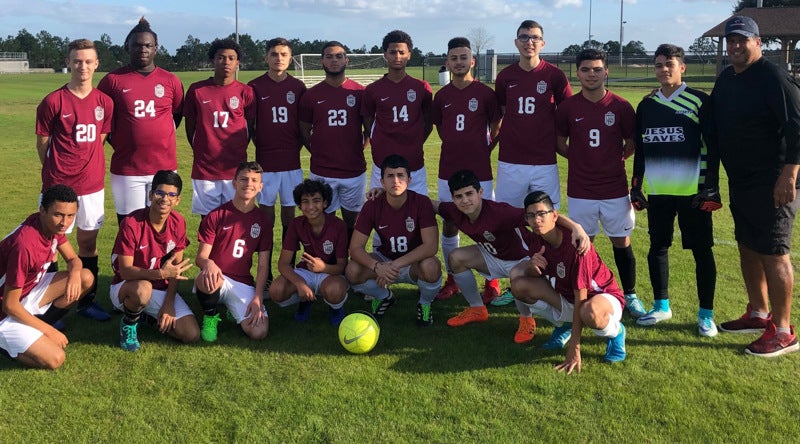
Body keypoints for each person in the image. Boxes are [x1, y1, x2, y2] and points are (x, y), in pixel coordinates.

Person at [710, 16, 800, 357]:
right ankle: (758, 313)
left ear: (758, 42)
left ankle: (784, 331)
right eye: (730, 40)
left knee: (774, 251)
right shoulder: (727, 80)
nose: (734, 46)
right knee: (747, 245)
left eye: (741, 40)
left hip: (774, 180)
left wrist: (788, 176)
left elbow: (797, 129)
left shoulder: (773, 78)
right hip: (742, 181)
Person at [435, 171, 590, 347]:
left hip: (522, 258)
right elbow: (431, 205)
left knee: (516, 274)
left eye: (469, 194)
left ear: (480, 193)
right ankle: (477, 309)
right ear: (453, 199)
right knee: (455, 257)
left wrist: (576, 227)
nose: (465, 200)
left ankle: (526, 320)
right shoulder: (453, 211)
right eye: (459, 196)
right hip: (492, 255)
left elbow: (540, 214)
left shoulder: (500, 212)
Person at [631, 44, 721, 336]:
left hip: (693, 192)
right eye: (658, 65)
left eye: (669, 64)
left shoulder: (699, 101)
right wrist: (636, 186)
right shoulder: (646, 105)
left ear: (682, 67)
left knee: (701, 251)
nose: (663, 69)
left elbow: (713, 147)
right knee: (657, 248)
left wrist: (710, 187)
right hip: (659, 193)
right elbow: (642, 150)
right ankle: (661, 306)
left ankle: (706, 314)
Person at [555, 48, 646, 318]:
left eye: (597, 69)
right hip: (581, 189)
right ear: (578, 73)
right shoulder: (568, 107)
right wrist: (582, 158)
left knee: (621, 241)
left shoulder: (620, 106)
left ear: (606, 71)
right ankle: (583, 292)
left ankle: (629, 294)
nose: (591, 74)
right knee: (583, 244)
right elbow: (560, 143)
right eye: (585, 69)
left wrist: (613, 159)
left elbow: (631, 144)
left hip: (615, 189)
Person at [35, 38, 113, 322]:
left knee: (88, 243)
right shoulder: (53, 101)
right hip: (58, 186)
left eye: (88, 61)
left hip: (92, 186)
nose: (83, 66)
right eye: (77, 61)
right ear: (68, 62)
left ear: (96, 64)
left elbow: (100, 139)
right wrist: (55, 171)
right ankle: (51, 307)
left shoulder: (105, 102)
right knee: (52, 245)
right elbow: (43, 143)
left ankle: (86, 301)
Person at [511, 191, 627, 373]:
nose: (537, 220)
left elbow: (581, 297)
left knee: (588, 312)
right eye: (531, 216)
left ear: (555, 215)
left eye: (542, 214)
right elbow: (538, 276)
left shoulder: (577, 244)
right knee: (519, 285)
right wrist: (533, 267)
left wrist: (575, 348)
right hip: (570, 298)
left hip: (602, 298)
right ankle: (564, 325)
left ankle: (616, 331)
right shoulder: (536, 239)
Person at [431, 37, 503, 304]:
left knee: (486, 224)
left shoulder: (485, 93)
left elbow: (496, 128)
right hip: (448, 169)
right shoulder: (442, 96)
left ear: (472, 61)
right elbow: (440, 128)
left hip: (479, 170)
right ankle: (453, 280)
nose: (459, 62)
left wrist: (484, 150)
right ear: (448, 62)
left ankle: (492, 282)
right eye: (454, 58)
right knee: (450, 224)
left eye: (464, 57)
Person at [97, 17, 184, 223]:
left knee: (161, 223)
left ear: (156, 48)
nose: (142, 49)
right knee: (130, 225)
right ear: (127, 47)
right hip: (128, 169)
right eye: (137, 45)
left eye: (147, 45)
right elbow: (102, 122)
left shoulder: (170, 80)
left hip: (164, 166)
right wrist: (122, 140)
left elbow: (177, 114)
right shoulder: (112, 81)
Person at [0, 185, 94, 369]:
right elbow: (9, 305)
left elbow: (74, 259)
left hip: (25, 293)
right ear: (42, 210)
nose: (64, 223)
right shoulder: (25, 245)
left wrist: (74, 273)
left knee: (85, 277)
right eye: (58, 214)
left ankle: (33, 329)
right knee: (55, 358)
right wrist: (49, 331)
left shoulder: (50, 227)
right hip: (4, 310)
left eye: (70, 216)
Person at [346, 154, 442, 325]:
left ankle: (425, 303)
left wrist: (396, 265)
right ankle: (384, 297)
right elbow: (355, 248)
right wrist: (376, 266)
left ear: (409, 179)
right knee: (352, 270)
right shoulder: (372, 205)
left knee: (431, 266)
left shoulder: (421, 202)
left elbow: (431, 246)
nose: (395, 181)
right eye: (390, 176)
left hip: (413, 263)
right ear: (382, 182)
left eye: (400, 175)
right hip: (384, 260)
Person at [110, 170, 199, 352]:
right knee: (143, 289)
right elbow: (125, 271)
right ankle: (128, 324)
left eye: (171, 194)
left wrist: (168, 304)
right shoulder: (131, 223)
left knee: (191, 334)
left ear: (177, 200)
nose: (165, 199)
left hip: (160, 287)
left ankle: (144, 317)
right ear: (151, 195)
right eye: (160, 193)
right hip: (127, 286)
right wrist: (160, 273)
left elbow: (175, 270)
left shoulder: (179, 222)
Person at [494, 20, 572, 210]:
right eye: (524, 37)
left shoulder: (555, 75)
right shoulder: (505, 76)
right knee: (508, 217)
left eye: (535, 38)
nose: (529, 42)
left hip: (544, 160)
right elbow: (502, 112)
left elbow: (568, 111)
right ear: (516, 42)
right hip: (511, 160)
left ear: (542, 43)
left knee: (547, 217)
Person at [249, 37, 307, 284]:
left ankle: (288, 271)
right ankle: (266, 272)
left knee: (289, 219)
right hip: (266, 165)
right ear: (266, 58)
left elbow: (304, 126)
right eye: (274, 54)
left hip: (292, 164)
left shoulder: (298, 87)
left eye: (284, 54)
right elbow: (249, 126)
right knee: (266, 220)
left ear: (290, 58)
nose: (279, 58)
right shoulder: (254, 87)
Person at [194, 162, 271, 342]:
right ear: (234, 183)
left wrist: (258, 297)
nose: (248, 184)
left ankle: (232, 308)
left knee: (259, 332)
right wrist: (209, 263)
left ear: (260, 187)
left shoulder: (263, 222)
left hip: (242, 282)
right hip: (216, 277)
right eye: (243, 179)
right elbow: (201, 257)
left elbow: (263, 265)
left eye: (254, 180)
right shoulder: (216, 215)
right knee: (208, 279)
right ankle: (210, 316)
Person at [298, 41, 367, 242]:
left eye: (338, 56)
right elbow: (304, 131)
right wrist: (319, 151)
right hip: (322, 171)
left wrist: (357, 150)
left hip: (353, 171)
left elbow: (369, 129)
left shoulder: (360, 92)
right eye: (329, 56)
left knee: (352, 224)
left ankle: (350, 267)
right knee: (323, 223)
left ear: (346, 60)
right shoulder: (311, 95)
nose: (334, 60)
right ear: (321, 61)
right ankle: (327, 264)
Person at [184, 38, 255, 217]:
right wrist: (203, 149)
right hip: (205, 169)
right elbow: (190, 127)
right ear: (213, 60)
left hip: (235, 168)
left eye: (232, 58)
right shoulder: (197, 90)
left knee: (235, 219)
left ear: (237, 63)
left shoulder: (245, 92)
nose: (226, 62)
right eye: (221, 57)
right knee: (208, 221)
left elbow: (249, 128)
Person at [361, 30, 433, 196]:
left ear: (409, 54)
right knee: (380, 212)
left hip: (414, 163)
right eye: (393, 52)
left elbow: (428, 123)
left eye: (402, 52)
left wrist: (415, 140)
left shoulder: (421, 87)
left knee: (418, 212)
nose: (397, 56)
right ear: (385, 55)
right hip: (382, 163)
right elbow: (368, 122)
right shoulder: (373, 90)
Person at [269, 179, 349, 326]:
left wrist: (323, 267)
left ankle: (335, 307)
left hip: (331, 273)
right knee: (276, 290)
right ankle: (305, 300)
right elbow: (283, 264)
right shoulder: (296, 224)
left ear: (325, 203)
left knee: (335, 290)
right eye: (305, 201)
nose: (311, 206)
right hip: (306, 271)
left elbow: (342, 266)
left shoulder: (339, 226)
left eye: (316, 201)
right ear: (300, 205)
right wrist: (300, 284)